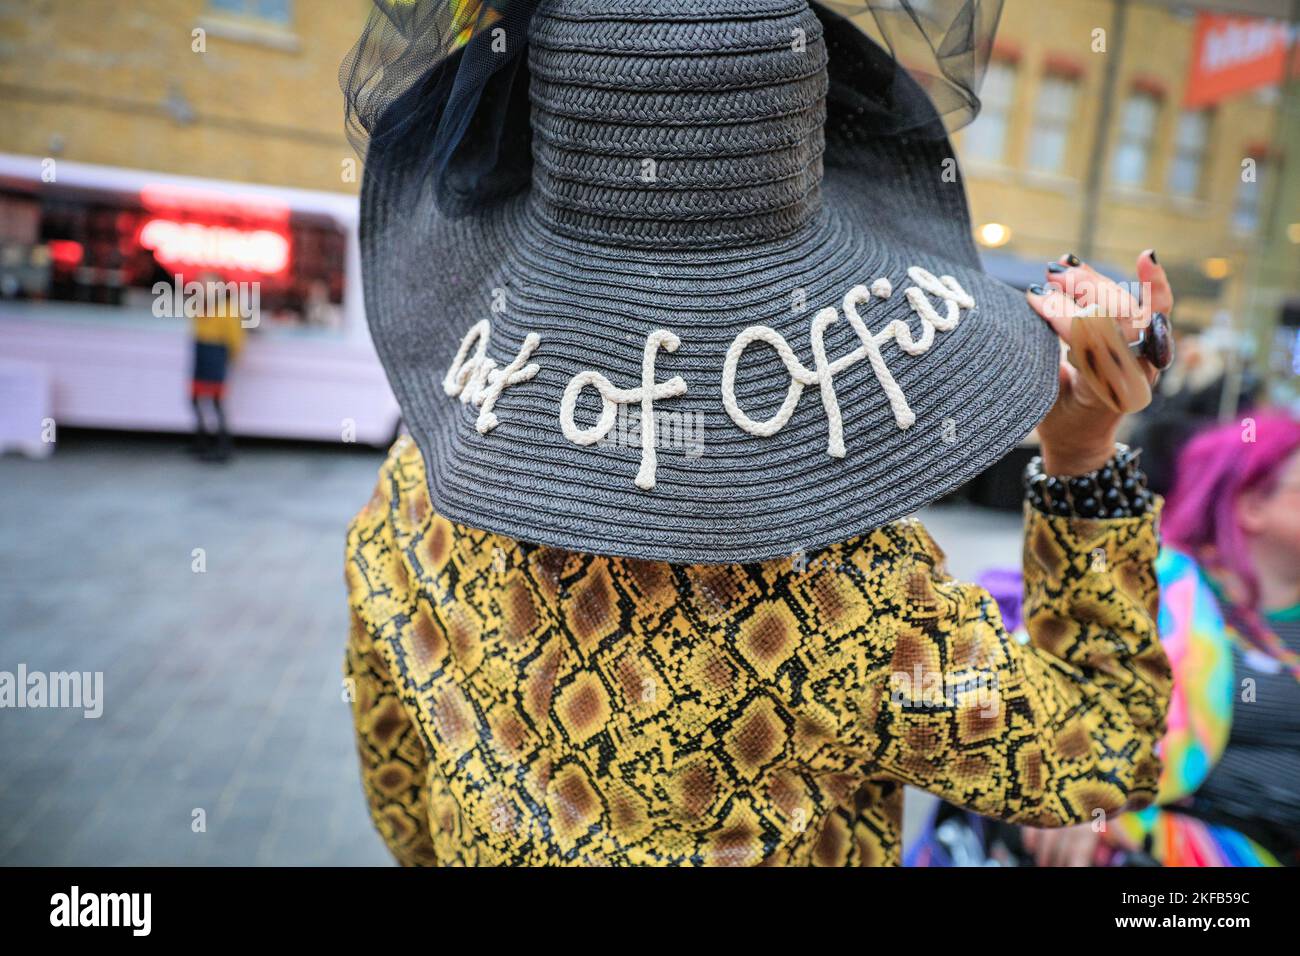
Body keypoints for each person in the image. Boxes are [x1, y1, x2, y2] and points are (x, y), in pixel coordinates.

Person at [340, 0, 1173, 865]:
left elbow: (398, 790)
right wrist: (1081, 459)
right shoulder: (838, 604)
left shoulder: (415, 490)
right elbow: (1104, 744)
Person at [1022, 412, 1300, 866]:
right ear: (1252, 506)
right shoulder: (1164, 590)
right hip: (1198, 838)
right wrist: (1086, 801)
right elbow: (1064, 705)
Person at [188, 271, 244, 462]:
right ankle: (202, 439)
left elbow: (236, 340)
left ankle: (223, 445)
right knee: (195, 399)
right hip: (202, 356)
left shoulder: (228, 310)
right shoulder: (201, 307)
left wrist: (229, 359)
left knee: (216, 402)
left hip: (215, 358)